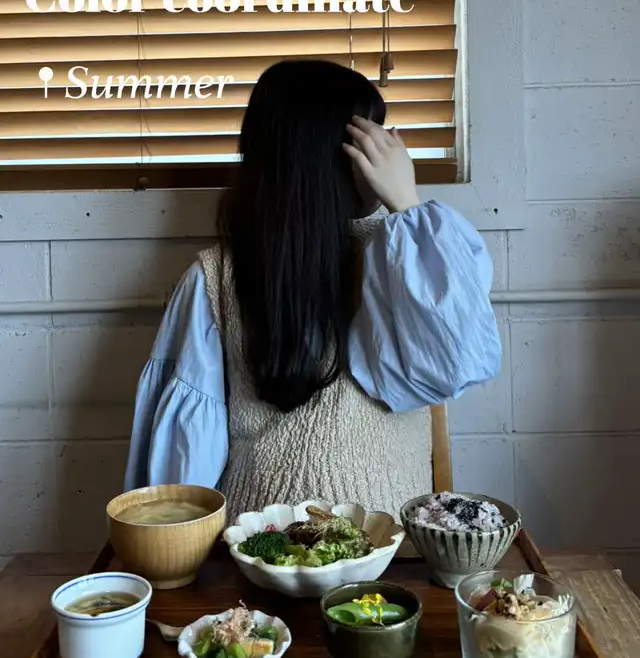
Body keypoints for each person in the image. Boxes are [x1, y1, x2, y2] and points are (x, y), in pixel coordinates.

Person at [124, 59, 501, 521]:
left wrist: (407, 205)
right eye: (371, 137)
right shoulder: (217, 276)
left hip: (391, 540)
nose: (390, 148)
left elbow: (457, 363)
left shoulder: (408, 253)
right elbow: (186, 461)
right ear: (333, 157)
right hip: (259, 541)